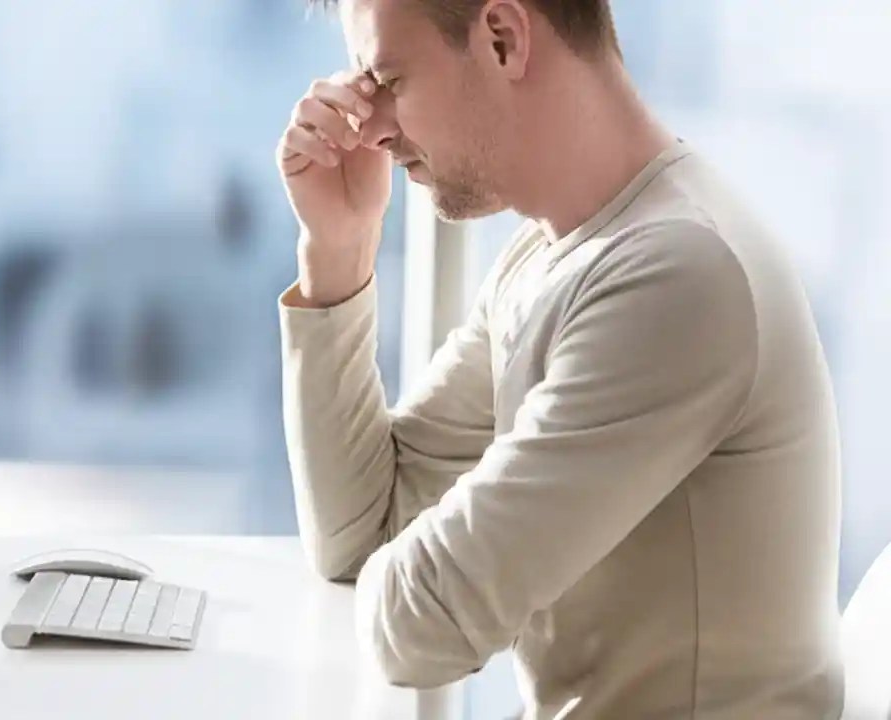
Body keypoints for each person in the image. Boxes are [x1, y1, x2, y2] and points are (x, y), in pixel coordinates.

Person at [274, 0, 844, 717]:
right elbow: (360, 535)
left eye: (388, 80)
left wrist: (437, 569)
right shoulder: (552, 256)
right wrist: (339, 248)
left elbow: (425, 625)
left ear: (504, 39)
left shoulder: (675, 277)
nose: (375, 127)